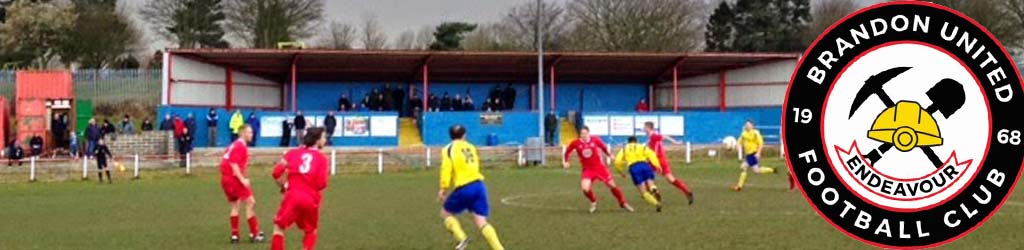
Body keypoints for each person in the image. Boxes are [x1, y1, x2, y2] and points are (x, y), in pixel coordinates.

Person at [438, 124, 506, 250]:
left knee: (445, 213)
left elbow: (446, 169)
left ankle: (462, 239)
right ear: (464, 135)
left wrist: (443, 188)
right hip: (479, 185)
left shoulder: (448, 149)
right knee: (481, 221)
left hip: (464, 187)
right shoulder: (471, 147)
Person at [269, 127, 330, 250]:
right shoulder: (322, 159)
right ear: (317, 140)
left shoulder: (292, 153)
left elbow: (276, 173)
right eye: (323, 137)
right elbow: (322, 184)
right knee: (311, 231)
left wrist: (284, 186)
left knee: (279, 227)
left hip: (292, 197)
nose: (325, 140)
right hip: (310, 199)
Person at [563, 126, 633, 213]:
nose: (583, 135)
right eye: (582, 134)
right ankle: (593, 201)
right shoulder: (576, 143)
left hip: (600, 168)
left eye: (585, 133)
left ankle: (623, 203)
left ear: (589, 133)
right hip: (587, 169)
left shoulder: (595, 139)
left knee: (612, 185)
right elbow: (567, 151)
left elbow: (603, 147)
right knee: (585, 188)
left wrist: (609, 155)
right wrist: (566, 161)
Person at [219, 125, 265, 244]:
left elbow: (226, 160)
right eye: (250, 132)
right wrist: (242, 179)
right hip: (234, 179)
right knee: (251, 202)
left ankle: (235, 235)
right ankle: (254, 234)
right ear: (243, 133)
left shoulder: (233, 145)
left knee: (235, 205)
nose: (252, 134)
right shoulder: (240, 146)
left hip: (225, 179)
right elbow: (233, 164)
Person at [643, 121, 694, 204]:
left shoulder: (654, 136)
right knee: (671, 179)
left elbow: (664, 136)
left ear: (648, 128)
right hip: (661, 160)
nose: (643, 129)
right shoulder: (651, 137)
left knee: (647, 177)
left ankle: (654, 194)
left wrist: (675, 142)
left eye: (644, 127)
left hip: (655, 160)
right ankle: (687, 191)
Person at [733, 120, 787, 191]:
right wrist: (735, 146)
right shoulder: (743, 133)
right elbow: (739, 141)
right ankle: (772, 170)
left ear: (752, 126)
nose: (747, 126)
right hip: (748, 154)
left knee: (743, 167)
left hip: (753, 153)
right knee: (756, 170)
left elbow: (761, 143)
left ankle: (739, 186)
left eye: (748, 124)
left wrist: (758, 153)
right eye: (746, 124)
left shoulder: (755, 133)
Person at [614, 136, 664, 212]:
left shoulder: (625, 148)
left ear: (628, 142)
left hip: (634, 168)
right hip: (645, 165)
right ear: (636, 141)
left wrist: (620, 171)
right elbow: (652, 154)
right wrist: (657, 165)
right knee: (650, 183)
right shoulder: (642, 146)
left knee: (643, 191)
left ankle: (656, 203)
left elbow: (617, 161)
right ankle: (653, 188)